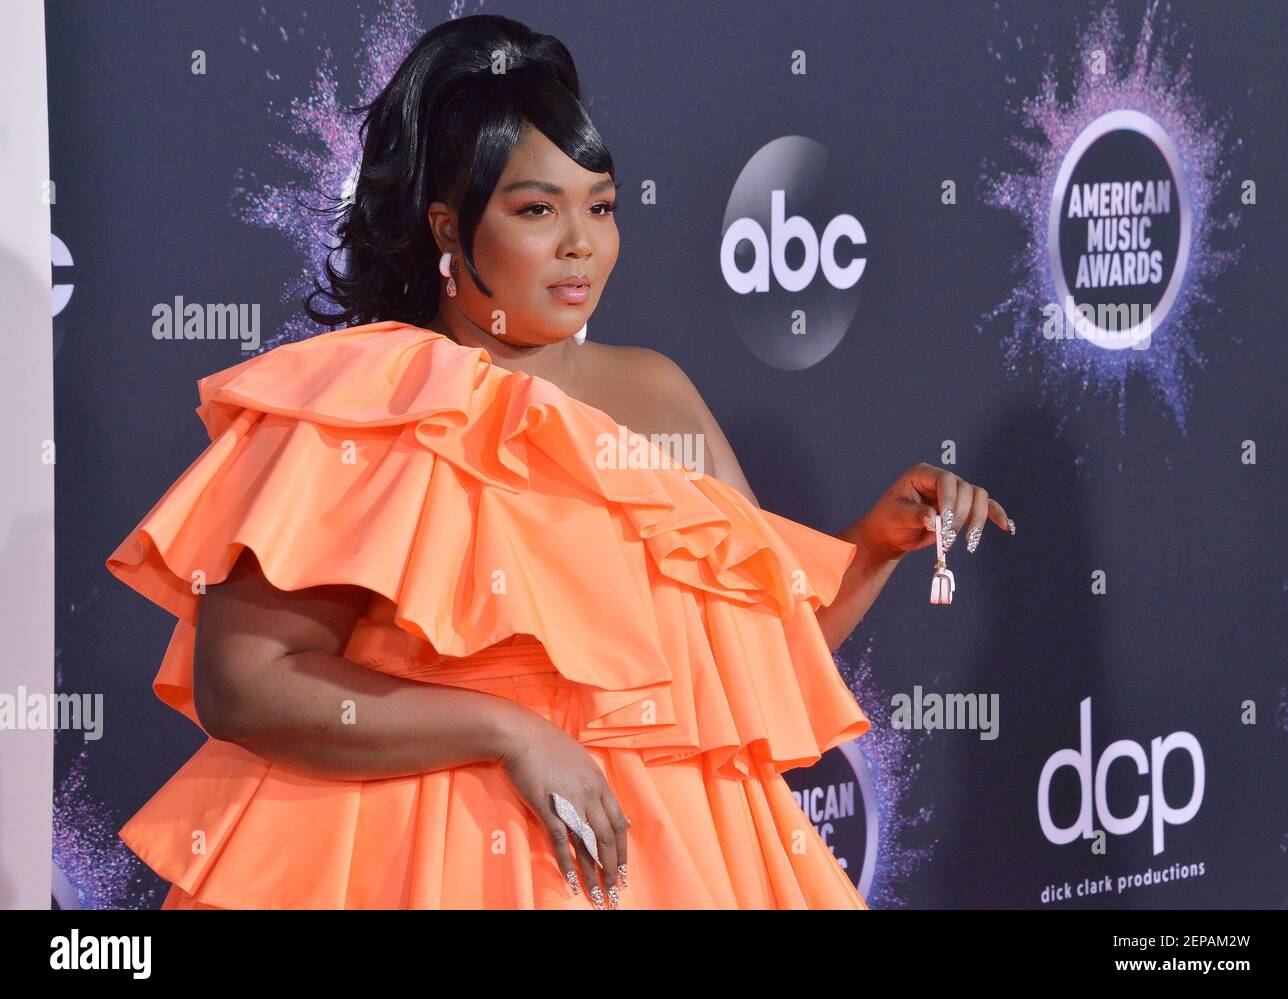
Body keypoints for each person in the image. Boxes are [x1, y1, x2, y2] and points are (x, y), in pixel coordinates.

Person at [105, 14, 1013, 910]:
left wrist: (875, 543)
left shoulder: (655, 391)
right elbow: (245, 686)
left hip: (681, 866)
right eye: (537, 208)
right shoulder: (370, 399)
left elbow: (748, 661)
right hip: (435, 867)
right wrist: (507, 730)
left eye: (602, 205)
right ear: (448, 229)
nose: (582, 241)